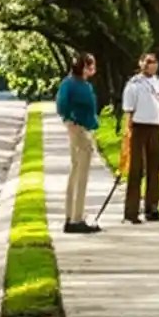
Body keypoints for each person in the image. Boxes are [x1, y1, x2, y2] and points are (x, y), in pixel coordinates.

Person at [121, 52, 159, 223]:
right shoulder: (134, 85)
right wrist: (128, 131)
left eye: (154, 62)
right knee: (136, 170)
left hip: (155, 129)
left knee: (154, 169)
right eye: (148, 62)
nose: (152, 65)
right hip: (138, 128)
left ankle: (152, 207)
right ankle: (131, 210)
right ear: (141, 63)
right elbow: (128, 112)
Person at [56, 52, 102, 234]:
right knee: (81, 172)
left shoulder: (82, 84)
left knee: (76, 170)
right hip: (78, 128)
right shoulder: (70, 84)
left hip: (83, 127)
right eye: (91, 65)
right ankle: (76, 218)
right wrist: (72, 119)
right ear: (83, 67)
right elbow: (62, 105)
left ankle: (72, 215)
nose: (93, 69)